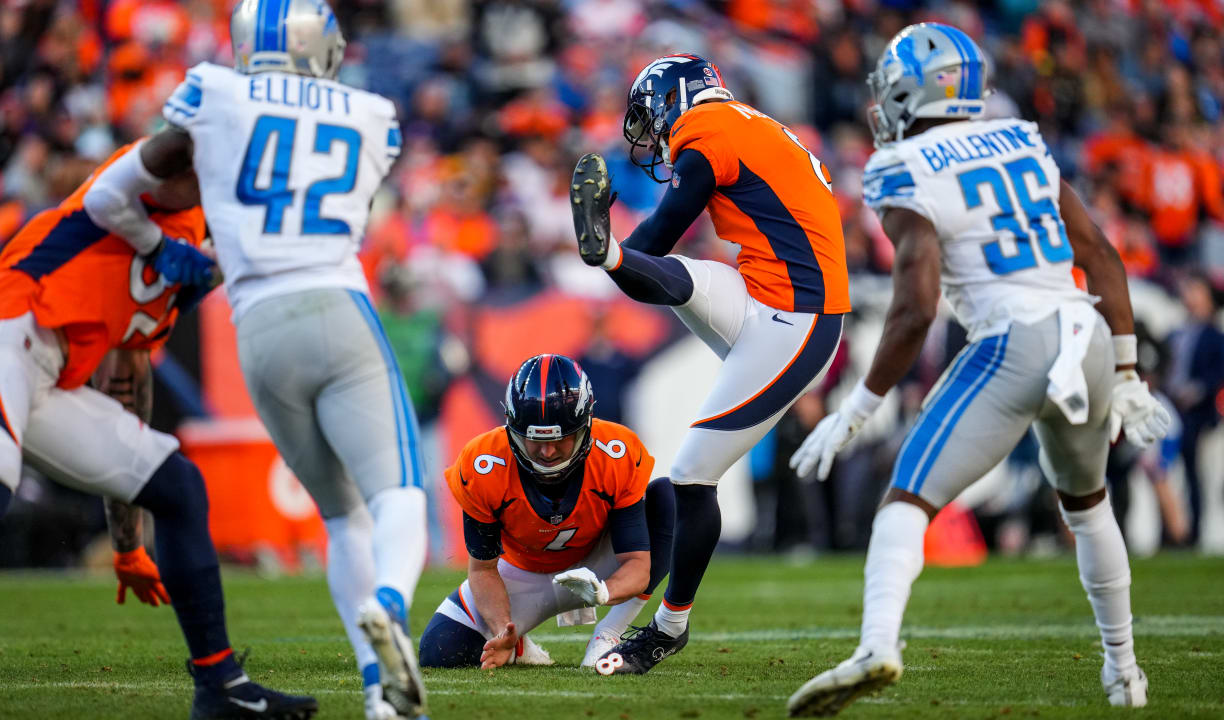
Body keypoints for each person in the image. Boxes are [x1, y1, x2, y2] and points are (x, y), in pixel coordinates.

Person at [786, 23, 1169, 716]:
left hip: (1013, 342)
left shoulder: (902, 167)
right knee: (1088, 507)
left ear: (909, 89)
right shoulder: (1020, 136)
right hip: (1084, 336)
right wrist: (1129, 368)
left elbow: (915, 308)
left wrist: (858, 408)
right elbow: (1102, 256)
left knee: (905, 502)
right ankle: (1126, 674)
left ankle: (877, 643)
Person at [79, 2, 428, 718]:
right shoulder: (370, 112)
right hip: (336, 305)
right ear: (322, 47)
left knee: (342, 520)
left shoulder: (214, 89)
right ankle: (389, 606)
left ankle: (381, 693)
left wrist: (159, 246)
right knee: (400, 496)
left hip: (256, 328)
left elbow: (109, 196)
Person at [0, 145, 317, 719]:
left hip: (48, 375)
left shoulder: (198, 261)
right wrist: (162, 242)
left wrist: (125, 544)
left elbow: (129, 382)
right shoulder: (165, 187)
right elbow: (139, 173)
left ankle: (221, 687)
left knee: (176, 485)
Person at [570, 53, 848, 674]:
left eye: (650, 116)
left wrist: (615, 253)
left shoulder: (710, 129)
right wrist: (617, 258)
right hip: (764, 296)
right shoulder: (745, 124)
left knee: (692, 475)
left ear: (675, 98)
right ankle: (607, 253)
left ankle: (670, 626)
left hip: (798, 321)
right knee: (680, 281)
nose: (651, 133)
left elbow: (667, 225)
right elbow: (656, 257)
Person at [417, 354, 674, 670]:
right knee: (440, 652)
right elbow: (483, 569)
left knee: (668, 499)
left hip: (597, 563)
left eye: (560, 439)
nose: (548, 452)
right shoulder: (485, 463)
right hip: (523, 572)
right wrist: (503, 630)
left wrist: (605, 591)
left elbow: (637, 564)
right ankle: (519, 646)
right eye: (534, 440)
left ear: (584, 427)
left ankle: (608, 637)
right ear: (512, 428)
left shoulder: (615, 452)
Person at [1164, 272, 1224, 545]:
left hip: (1198, 415)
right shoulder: (1175, 332)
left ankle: (1195, 532)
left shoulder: (1214, 335)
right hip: (1171, 410)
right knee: (1163, 473)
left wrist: (1197, 391)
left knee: (1194, 474)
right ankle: (1170, 532)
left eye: (1195, 291)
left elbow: (1216, 374)